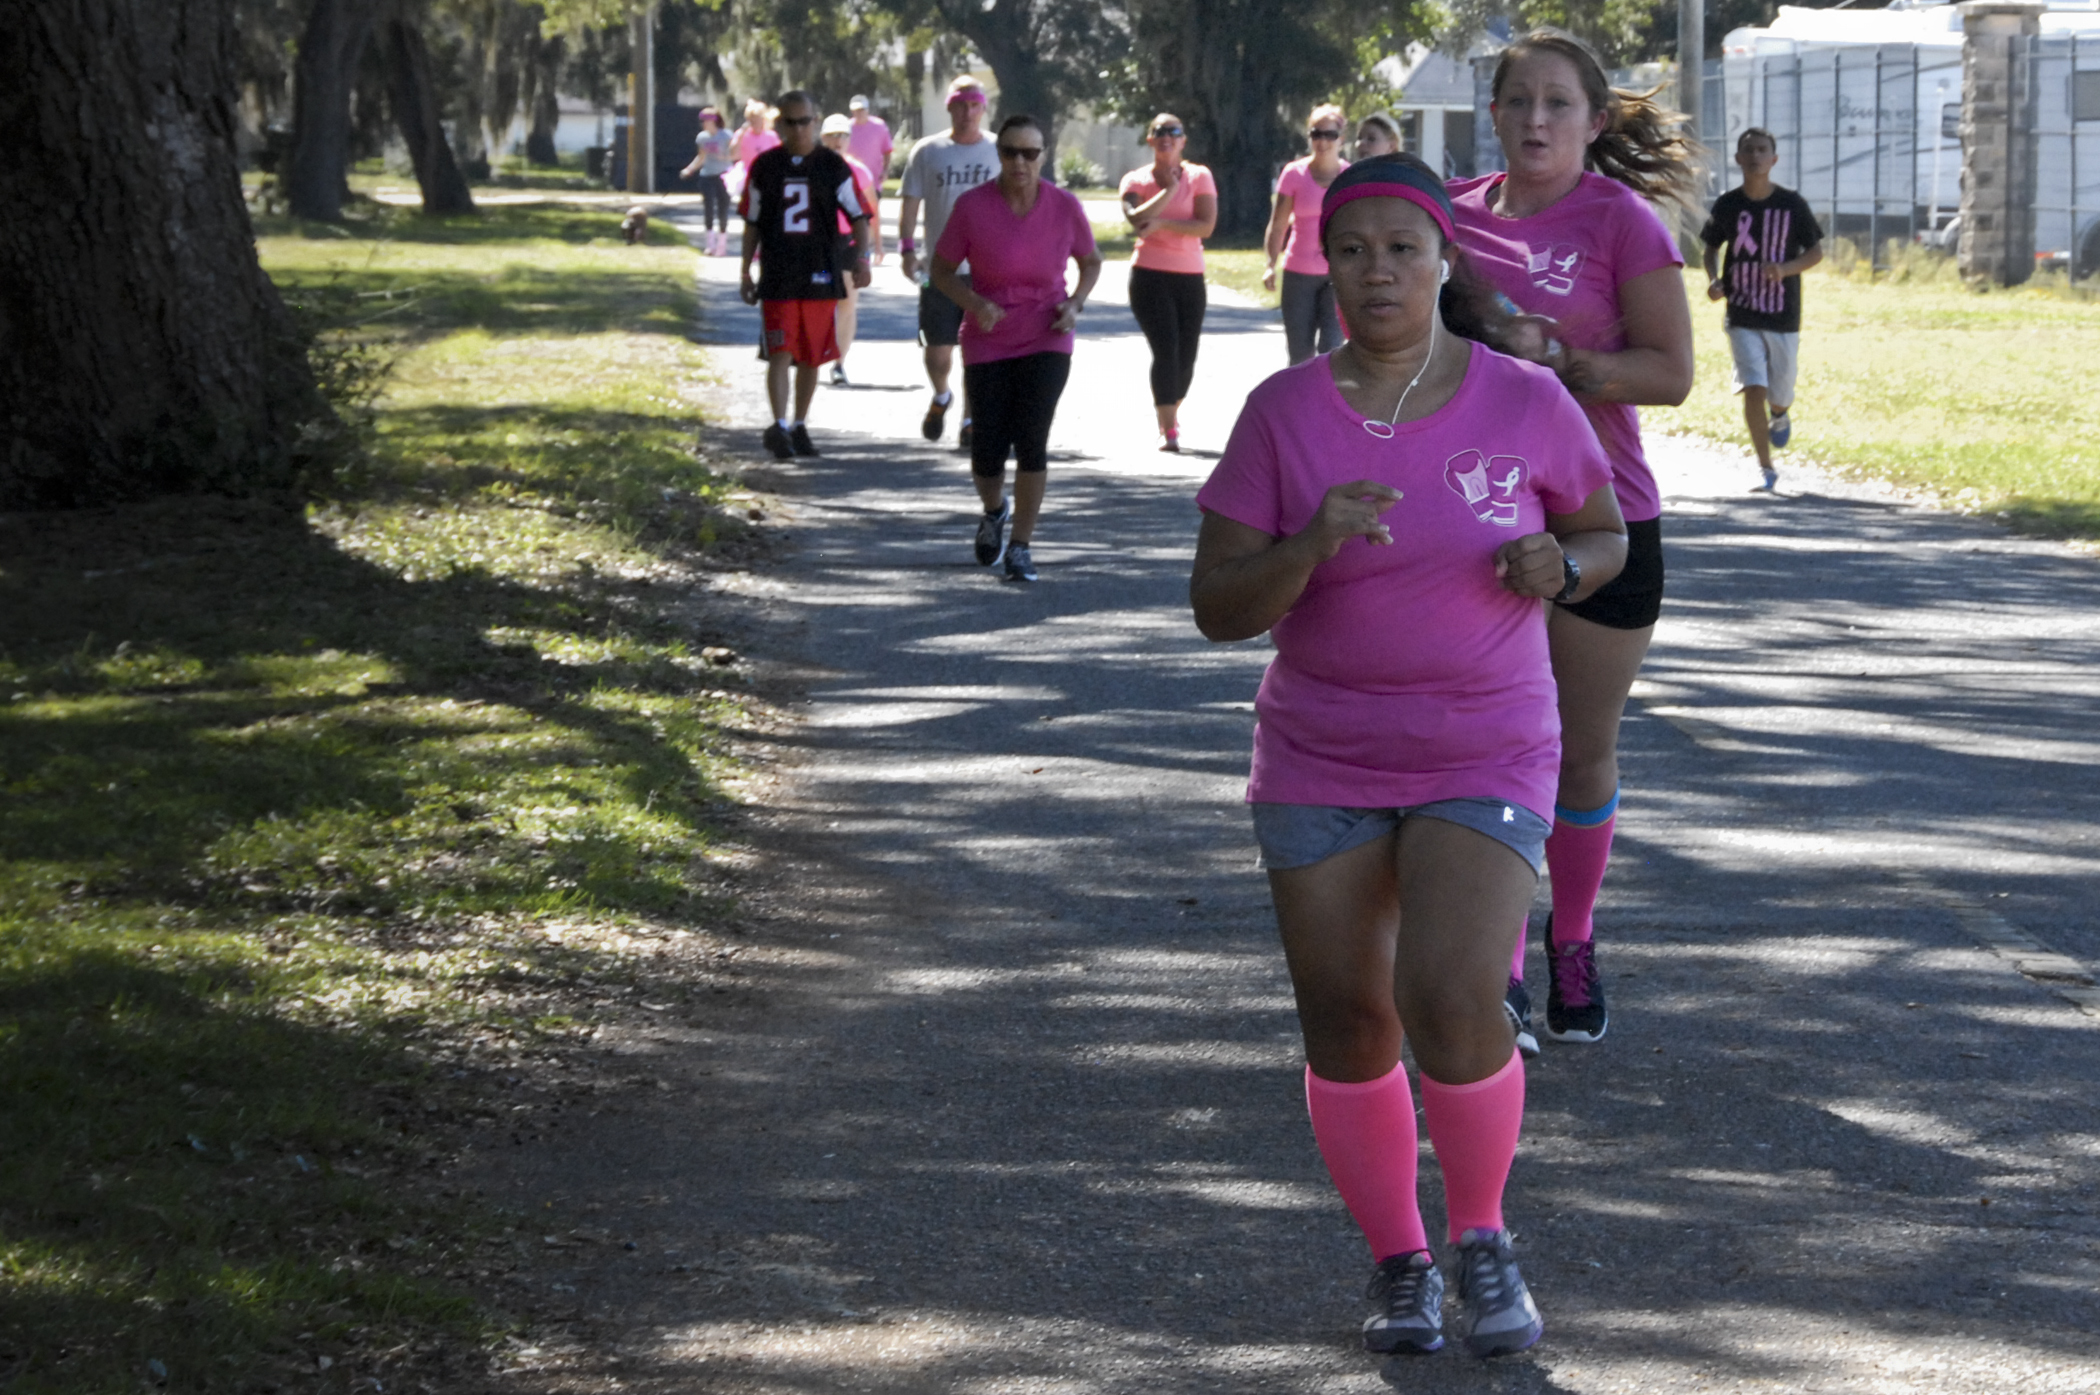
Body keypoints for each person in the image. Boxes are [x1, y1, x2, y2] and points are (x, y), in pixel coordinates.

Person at [1190, 155, 1627, 1361]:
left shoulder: (1526, 400)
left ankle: (1481, 1235)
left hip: (1485, 741)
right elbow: (1220, 607)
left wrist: (1565, 567)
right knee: (1346, 1021)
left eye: (1403, 247)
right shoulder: (1285, 412)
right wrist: (1312, 542)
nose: (1378, 269)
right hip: (1321, 750)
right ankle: (1399, 1260)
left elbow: (1601, 531)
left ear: (1442, 262)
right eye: (1354, 248)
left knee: (1448, 994)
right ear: (1323, 263)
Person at [1448, 28, 1697, 1054]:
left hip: (1603, 512)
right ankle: (1500, 957)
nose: (1537, 120)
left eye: (1560, 104)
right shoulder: (1452, 220)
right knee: (1492, 744)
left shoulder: (1622, 221)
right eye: (1520, 102)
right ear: (1495, 115)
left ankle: (1575, 938)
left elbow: (1670, 373)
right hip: (1470, 514)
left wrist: (1559, 361)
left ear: (1595, 123)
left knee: (1579, 752)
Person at [930, 114, 1103, 583]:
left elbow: (1090, 260)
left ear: (1044, 156)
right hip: (988, 339)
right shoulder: (972, 207)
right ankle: (994, 509)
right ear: (999, 155)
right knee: (987, 448)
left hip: (1048, 335)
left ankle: (1022, 546)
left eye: (1031, 153)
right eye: (1011, 152)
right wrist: (974, 302)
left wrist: (1075, 304)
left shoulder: (1064, 206)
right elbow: (941, 271)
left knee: (1032, 437)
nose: (1021, 162)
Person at [739, 91, 872, 460]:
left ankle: (799, 424)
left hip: (820, 272)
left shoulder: (832, 165)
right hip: (778, 274)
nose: (799, 129)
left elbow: (860, 216)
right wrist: (744, 271)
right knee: (780, 351)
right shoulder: (764, 166)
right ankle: (779, 425)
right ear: (779, 124)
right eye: (791, 121)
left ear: (816, 121)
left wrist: (862, 259)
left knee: (812, 357)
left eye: (806, 120)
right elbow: (751, 223)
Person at [1700, 127, 1823, 492]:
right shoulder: (1728, 204)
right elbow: (1710, 248)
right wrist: (1714, 279)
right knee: (1753, 385)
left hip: (1782, 313)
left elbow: (1815, 252)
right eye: (1748, 150)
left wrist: (1784, 270)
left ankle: (1780, 414)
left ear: (1774, 160)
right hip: (1741, 311)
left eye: (1762, 150)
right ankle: (1765, 467)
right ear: (1737, 159)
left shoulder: (1791, 204)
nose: (1755, 156)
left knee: (1779, 392)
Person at [899, 77, 1001, 448]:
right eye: (960, 105)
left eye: (974, 105)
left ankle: (971, 420)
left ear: (983, 108)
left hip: (988, 269)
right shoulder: (929, 151)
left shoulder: (998, 151)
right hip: (941, 270)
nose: (968, 113)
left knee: (978, 349)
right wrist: (907, 249)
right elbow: (911, 201)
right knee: (938, 351)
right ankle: (942, 395)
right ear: (950, 108)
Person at [1120, 114, 1217, 451]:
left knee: (1186, 356)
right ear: (1150, 140)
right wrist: (1172, 189)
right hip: (1149, 275)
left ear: (1183, 141)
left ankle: (1170, 410)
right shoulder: (1136, 179)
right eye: (1159, 132)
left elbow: (1205, 226)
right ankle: (1168, 428)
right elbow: (1136, 218)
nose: (1166, 137)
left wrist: (1160, 223)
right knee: (1166, 349)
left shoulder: (1200, 176)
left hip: (1190, 275)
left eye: (1173, 132)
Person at [1264, 103, 1350, 363]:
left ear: (1341, 139)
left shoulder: (1350, 175)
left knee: (1332, 349)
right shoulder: (1294, 174)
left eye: (1329, 135)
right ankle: (1298, 403)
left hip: (1337, 272)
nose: (1322, 141)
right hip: (1298, 272)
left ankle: (1325, 404)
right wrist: (1270, 264)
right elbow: (1278, 223)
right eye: (1316, 134)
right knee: (1299, 352)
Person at [821, 113, 882, 387]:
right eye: (832, 135)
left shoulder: (859, 171)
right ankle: (813, 355)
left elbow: (871, 213)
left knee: (847, 303)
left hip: (848, 241)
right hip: (819, 242)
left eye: (843, 135)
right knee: (818, 302)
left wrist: (875, 245)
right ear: (822, 138)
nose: (838, 140)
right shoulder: (813, 168)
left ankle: (838, 363)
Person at [678, 106, 736, 256]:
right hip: (707, 175)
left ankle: (722, 243)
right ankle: (710, 244)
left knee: (723, 209)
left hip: (724, 175)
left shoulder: (726, 136)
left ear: (714, 121)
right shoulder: (702, 138)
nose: (704, 123)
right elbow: (701, 157)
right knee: (708, 208)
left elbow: (735, 153)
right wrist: (689, 169)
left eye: (706, 120)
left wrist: (725, 158)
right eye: (702, 121)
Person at [845, 94, 894, 259]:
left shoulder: (879, 126)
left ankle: (875, 248)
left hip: (873, 180)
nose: (859, 113)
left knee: (871, 215)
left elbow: (887, 150)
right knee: (856, 217)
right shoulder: (847, 128)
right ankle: (860, 251)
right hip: (851, 180)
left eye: (862, 110)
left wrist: (886, 170)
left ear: (867, 110)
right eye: (856, 110)